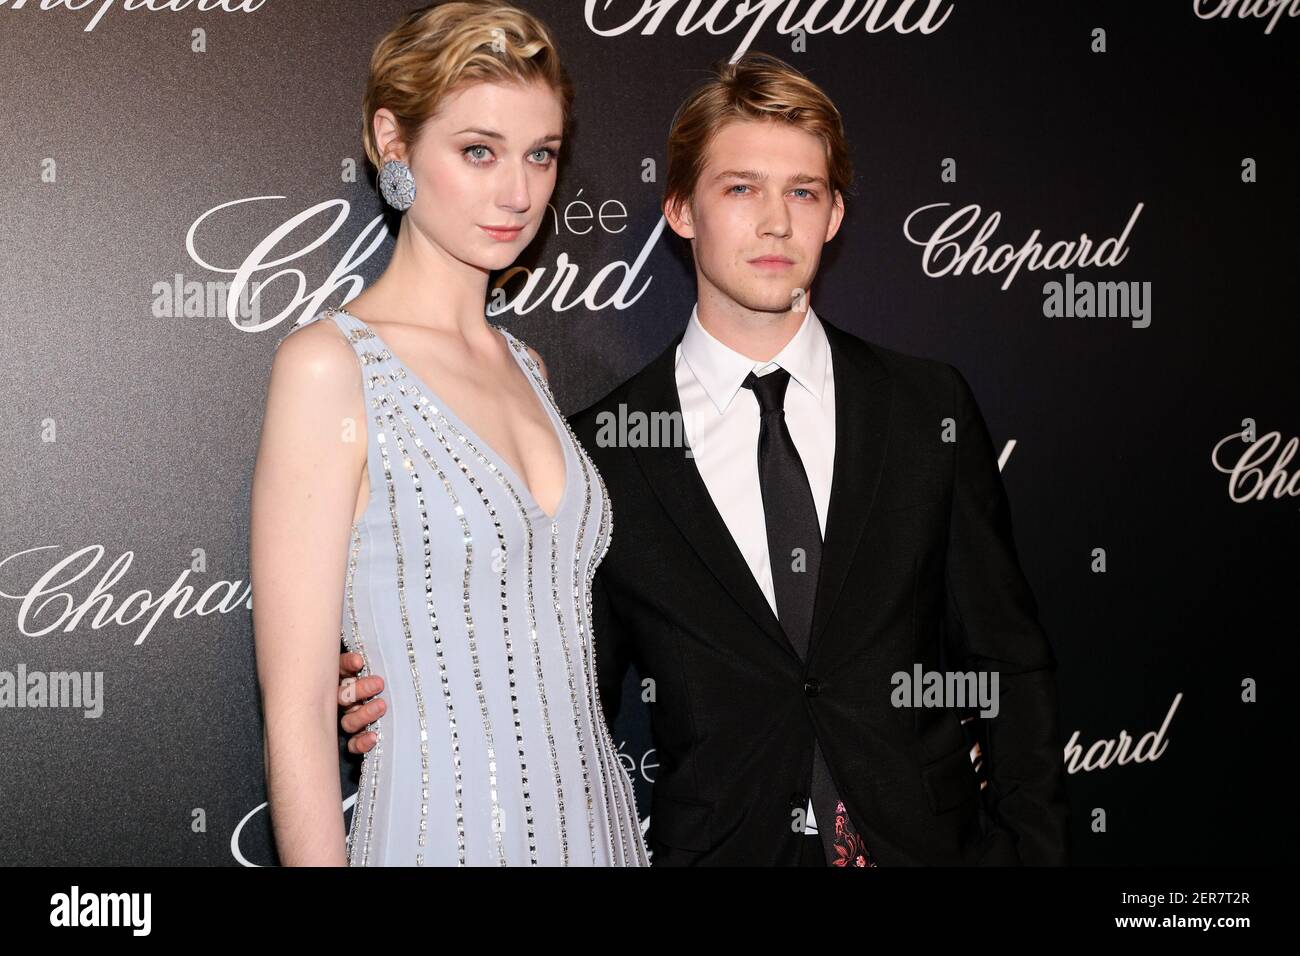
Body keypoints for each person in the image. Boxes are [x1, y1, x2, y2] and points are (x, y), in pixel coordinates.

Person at [339, 51, 1071, 866]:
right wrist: (399, 686)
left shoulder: (925, 407)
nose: (775, 222)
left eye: (804, 192)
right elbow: (557, 678)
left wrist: (1030, 850)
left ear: (834, 216)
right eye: (740, 188)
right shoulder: (598, 452)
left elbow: (1008, 659)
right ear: (681, 210)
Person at [251, 0, 648, 867]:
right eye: (479, 151)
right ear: (393, 143)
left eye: (540, 154)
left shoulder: (530, 371)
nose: (519, 192)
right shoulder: (330, 369)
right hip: (441, 838)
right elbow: (299, 708)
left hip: (603, 837)